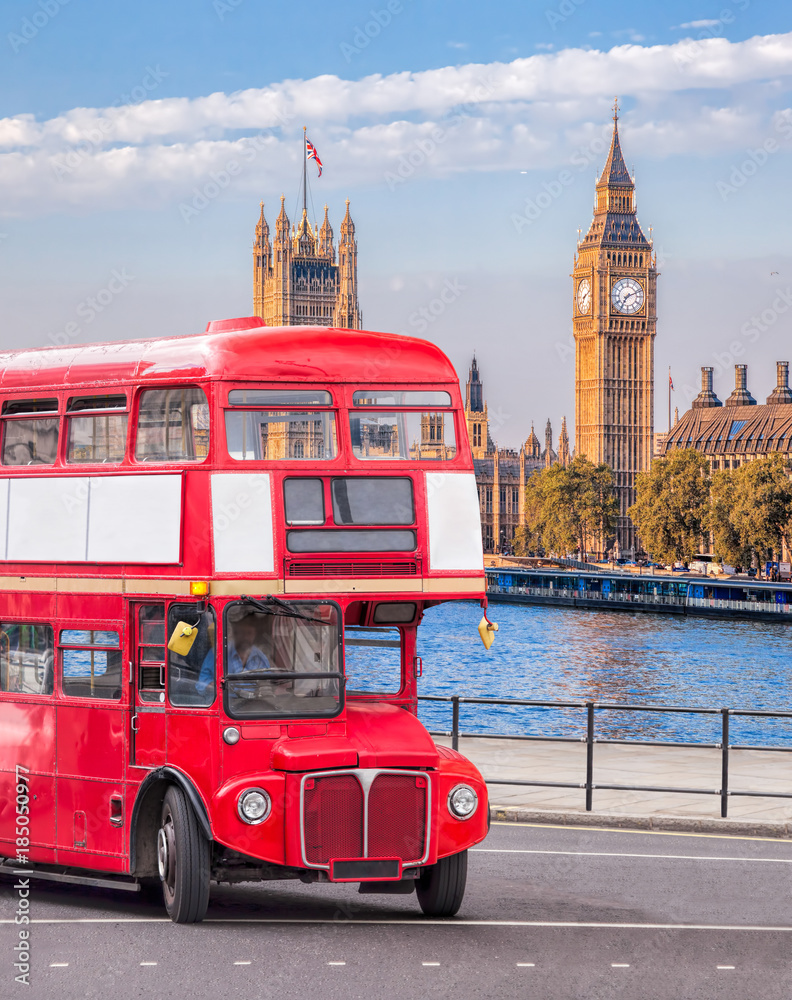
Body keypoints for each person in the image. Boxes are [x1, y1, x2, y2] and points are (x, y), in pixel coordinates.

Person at [196, 611, 273, 696]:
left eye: (249, 633)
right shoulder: (218, 652)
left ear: (254, 635)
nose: (245, 637)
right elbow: (202, 683)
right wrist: (210, 685)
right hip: (224, 703)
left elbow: (266, 684)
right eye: (242, 633)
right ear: (235, 633)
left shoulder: (260, 657)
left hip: (252, 704)